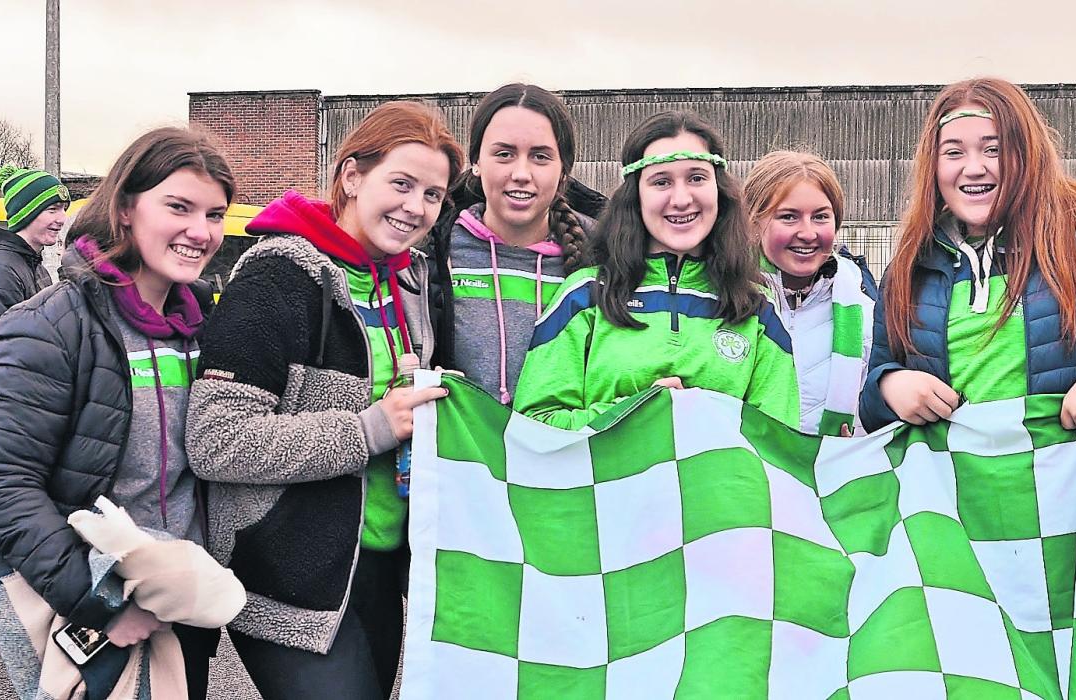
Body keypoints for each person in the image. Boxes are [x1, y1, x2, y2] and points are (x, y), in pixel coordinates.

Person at [185, 100, 461, 700]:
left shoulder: (409, 282)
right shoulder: (278, 276)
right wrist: (369, 428)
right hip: (291, 574)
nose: (416, 207)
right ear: (352, 176)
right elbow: (216, 441)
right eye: (402, 183)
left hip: (382, 562)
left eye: (434, 195)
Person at [0, 127, 234, 699]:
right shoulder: (49, 323)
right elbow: (4, 483)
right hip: (89, 607)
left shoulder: (203, 321)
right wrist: (102, 604)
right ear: (126, 208)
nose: (201, 232)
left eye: (216, 214)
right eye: (179, 207)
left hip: (181, 599)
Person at [860, 76, 1076, 444]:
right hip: (955, 500)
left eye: (994, 149)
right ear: (933, 166)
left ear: (1027, 154)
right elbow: (874, 397)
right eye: (953, 152)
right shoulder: (909, 267)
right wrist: (889, 388)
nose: (973, 168)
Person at [514, 110, 797, 430]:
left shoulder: (757, 306)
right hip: (607, 482)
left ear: (719, 190)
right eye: (661, 181)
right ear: (636, 197)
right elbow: (534, 427)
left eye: (696, 178)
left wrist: (700, 418)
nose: (681, 199)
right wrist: (634, 413)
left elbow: (779, 445)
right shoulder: (584, 296)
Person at [428, 83, 601, 404]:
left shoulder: (606, 255)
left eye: (540, 156)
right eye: (504, 154)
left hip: (567, 449)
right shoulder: (432, 249)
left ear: (564, 170)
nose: (521, 173)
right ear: (477, 161)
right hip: (465, 451)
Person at [743, 151, 877, 436]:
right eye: (788, 217)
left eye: (820, 217)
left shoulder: (868, 315)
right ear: (754, 222)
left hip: (834, 475)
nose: (807, 232)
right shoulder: (723, 304)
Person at [0, 165, 70, 327]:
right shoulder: (0, 270)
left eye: (63, 209)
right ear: (25, 214)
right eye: (52, 209)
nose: (62, 218)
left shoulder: (36, 267)